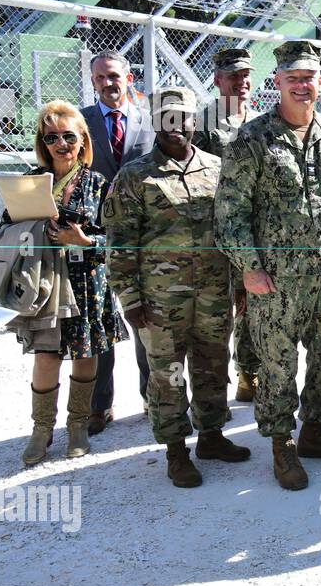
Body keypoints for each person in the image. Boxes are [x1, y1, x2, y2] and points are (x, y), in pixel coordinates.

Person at [214, 40, 321, 491]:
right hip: (274, 281)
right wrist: (248, 268)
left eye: (308, 78)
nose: (301, 85)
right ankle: (283, 444)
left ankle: (314, 431)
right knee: (277, 365)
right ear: (276, 83)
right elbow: (230, 213)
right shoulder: (252, 139)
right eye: (292, 78)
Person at [102, 87, 251, 487]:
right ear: (154, 122)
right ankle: (175, 450)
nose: (175, 125)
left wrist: (239, 282)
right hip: (159, 300)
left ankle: (212, 436)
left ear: (194, 122)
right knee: (167, 375)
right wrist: (129, 300)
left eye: (182, 116)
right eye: (166, 117)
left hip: (214, 292)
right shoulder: (134, 176)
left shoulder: (218, 169)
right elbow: (119, 244)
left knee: (213, 364)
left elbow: (233, 231)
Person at [9, 101, 128, 466]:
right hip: (45, 282)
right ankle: (41, 430)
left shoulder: (99, 184)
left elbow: (120, 240)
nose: (61, 143)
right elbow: (8, 231)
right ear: (42, 143)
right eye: (52, 137)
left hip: (87, 281)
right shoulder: (30, 183)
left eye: (68, 136)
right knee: (46, 356)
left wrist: (87, 241)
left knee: (85, 352)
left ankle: (77, 425)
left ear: (82, 141)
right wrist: (34, 230)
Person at [82, 50, 153, 435]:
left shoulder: (150, 122)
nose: (108, 83)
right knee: (100, 322)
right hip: (93, 238)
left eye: (113, 76)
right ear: (93, 82)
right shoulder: (81, 122)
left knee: (145, 321)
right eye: (100, 78)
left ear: (128, 78)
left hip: (142, 239)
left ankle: (151, 396)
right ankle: (99, 405)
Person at [196, 46, 262, 403]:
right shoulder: (205, 124)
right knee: (219, 310)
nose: (242, 81)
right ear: (218, 80)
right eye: (234, 75)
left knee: (252, 304)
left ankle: (248, 373)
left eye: (246, 74)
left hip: (254, 230)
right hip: (218, 232)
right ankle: (211, 392)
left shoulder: (259, 119)